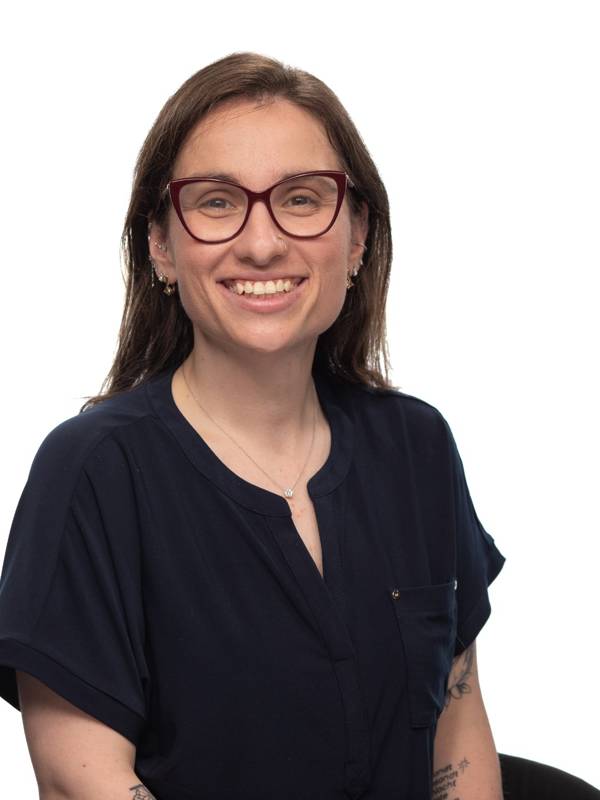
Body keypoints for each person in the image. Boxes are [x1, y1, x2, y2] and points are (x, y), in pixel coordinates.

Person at [0, 52, 506, 800]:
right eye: (216, 202)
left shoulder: (417, 448)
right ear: (161, 245)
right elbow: (85, 784)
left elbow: (456, 731)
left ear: (357, 237)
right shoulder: (93, 474)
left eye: (301, 198)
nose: (262, 243)